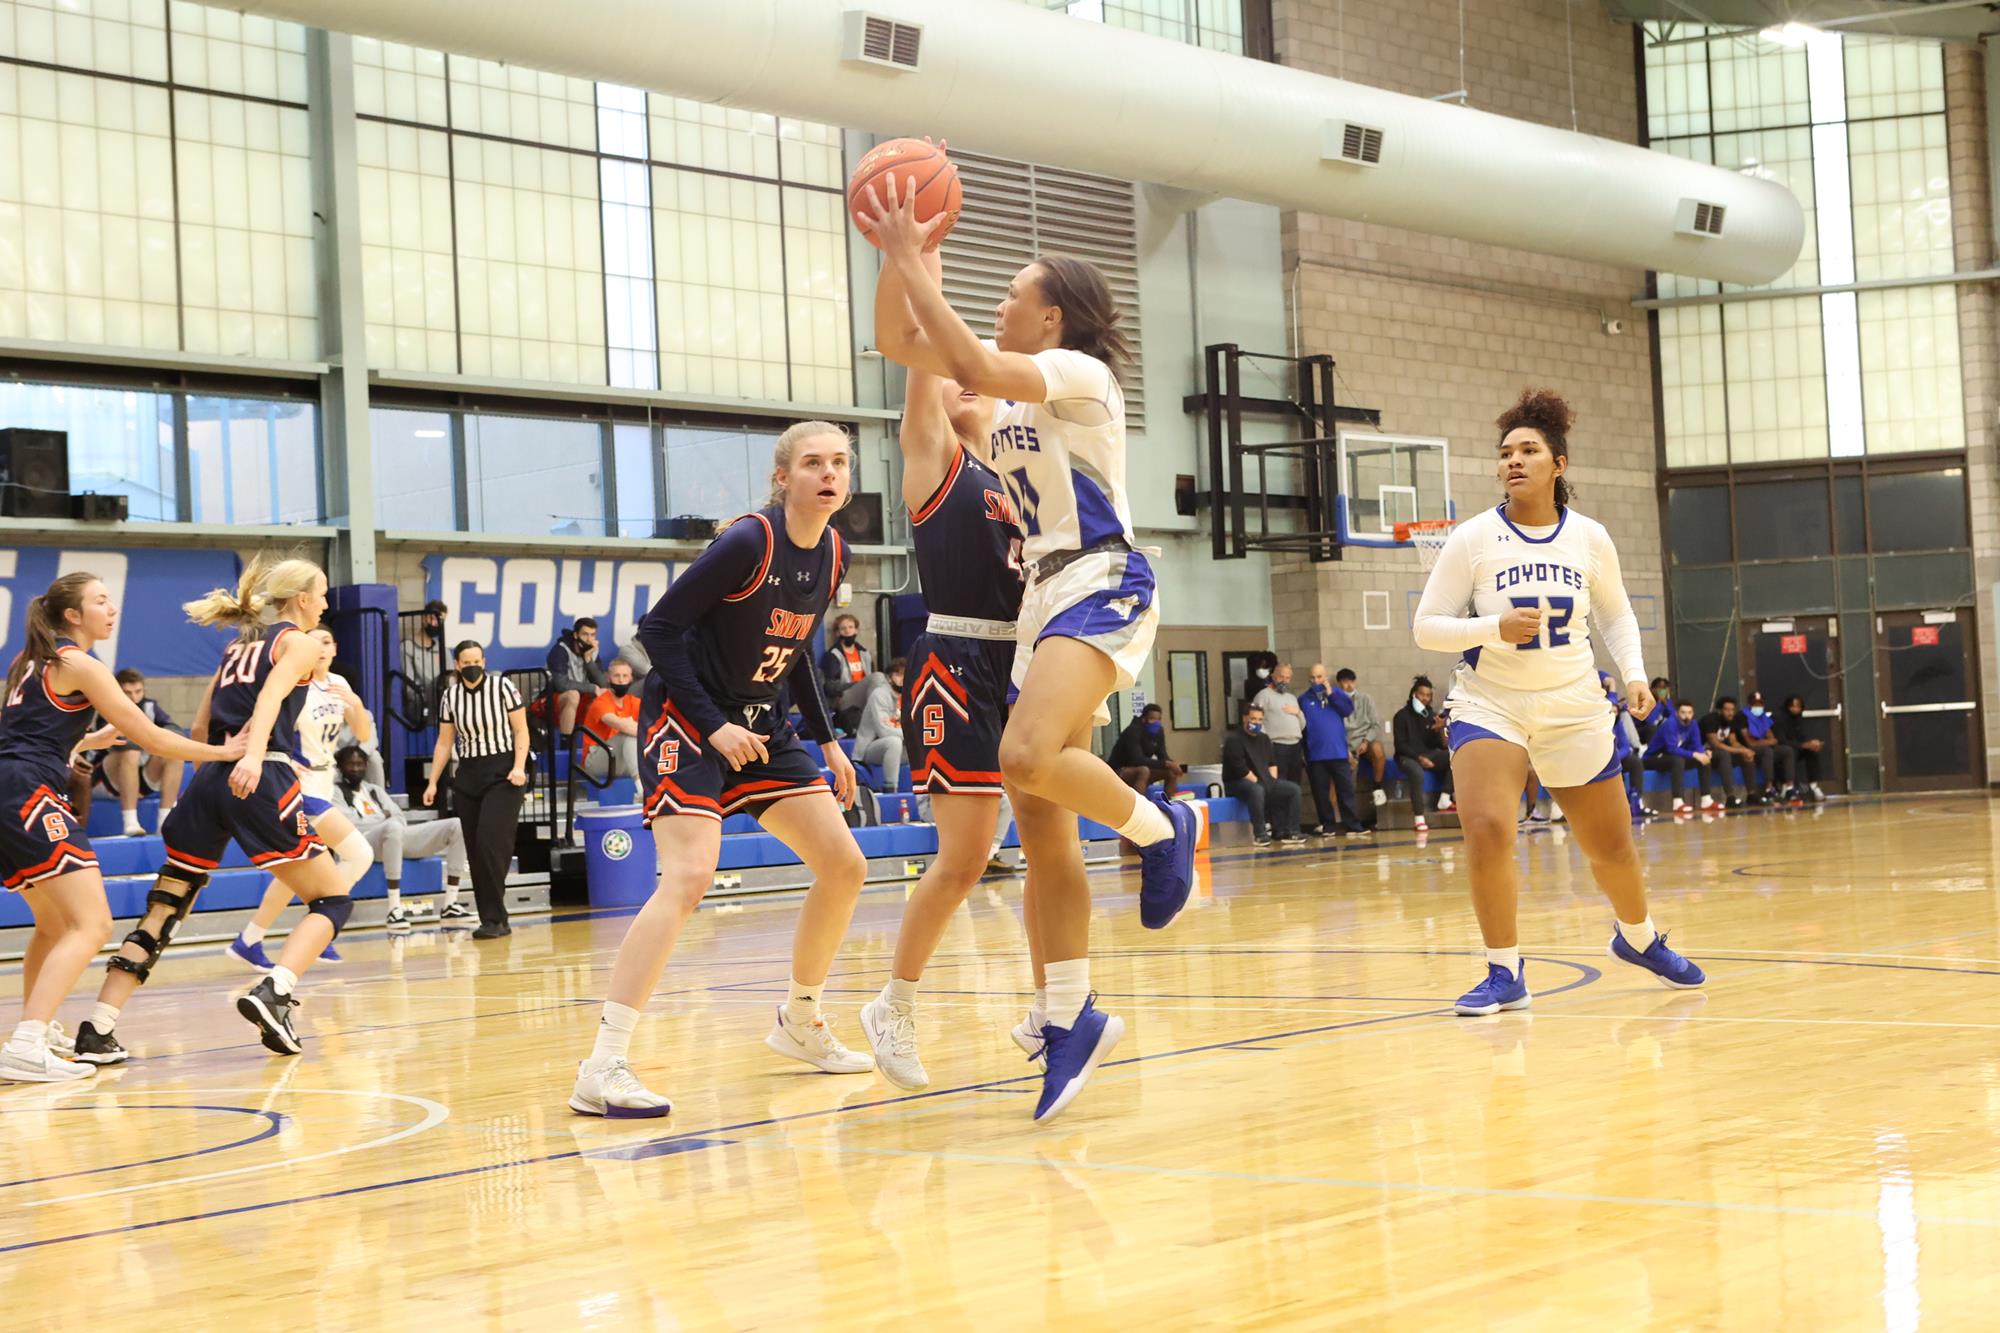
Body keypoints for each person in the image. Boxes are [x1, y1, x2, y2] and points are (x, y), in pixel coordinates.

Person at [866, 171, 1198, 1123]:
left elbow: (966, 351)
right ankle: (1069, 1013)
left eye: (1013, 291)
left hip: (1101, 575)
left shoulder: (1081, 378)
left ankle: (1161, 826)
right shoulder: (1001, 409)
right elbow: (904, 344)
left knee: (1024, 755)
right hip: (1041, 601)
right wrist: (906, 257)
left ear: (1052, 317)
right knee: (1045, 820)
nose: (1000, 302)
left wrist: (915, 258)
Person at [569, 421, 869, 1119]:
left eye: (839, 462)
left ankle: (800, 1020)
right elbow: (657, 630)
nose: (829, 473)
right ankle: (602, 1065)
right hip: (689, 717)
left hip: (761, 722)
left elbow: (796, 653)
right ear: (783, 478)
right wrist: (712, 724)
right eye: (813, 463)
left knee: (845, 865)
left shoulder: (834, 552)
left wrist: (828, 742)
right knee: (689, 877)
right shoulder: (748, 542)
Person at [1412, 386, 1704, 1017]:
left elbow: (1616, 614)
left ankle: (1639, 938)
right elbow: (1426, 627)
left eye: (1528, 450)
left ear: (1558, 465)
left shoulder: (1590, 538)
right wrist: (1492, 628)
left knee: (1611, 848)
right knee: (1488, 829)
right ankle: (1504, 970)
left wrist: (1634, 674)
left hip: (1573, 705)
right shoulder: (1473, 537)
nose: (1514, 460)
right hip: (1490, 703)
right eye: (1505, 453)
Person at [71, 555, 355, 1064]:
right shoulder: (301, 642)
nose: (326, 602)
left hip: (209, 779)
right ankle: (275, 991)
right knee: (333, 901)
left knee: (166, 908)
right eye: (322, 592)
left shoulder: (238, 644)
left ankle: (98, 1026)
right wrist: (252, 758)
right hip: (259, 773)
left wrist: (216, 774)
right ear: (302, 598)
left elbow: (201, 726)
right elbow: (270, 698)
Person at [854, 274, 1030, 1089]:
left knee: (1046, 844)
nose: (964, 379)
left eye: (977, 374)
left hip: (1023, 663)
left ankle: (1056, 1002)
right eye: (956, 372)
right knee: (963, 858)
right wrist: (917, 260)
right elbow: (920, 356)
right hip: (957, 659)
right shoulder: (937, 459)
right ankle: (894, 1002)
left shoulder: (1022, 481)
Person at [0, 574, 241, 1082]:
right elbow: (152, 737)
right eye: (101, 601)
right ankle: (25, 1044)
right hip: (27, 792)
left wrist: (88, 741)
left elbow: (25, 736)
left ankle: (35, 1031)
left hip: (10, 788)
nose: (111, 609)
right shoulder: (79, 663)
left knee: (53, 925)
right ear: (73, 615)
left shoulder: (31, 661)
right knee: (92, 924)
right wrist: (225, 752)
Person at [228, 627, 380, 971]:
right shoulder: (295, 682)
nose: (320, 648)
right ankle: (320, 926)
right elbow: (263, 719)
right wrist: (278, 757)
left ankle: (250, 939)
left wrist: (356, 704)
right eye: (314, 642)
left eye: (326, 642)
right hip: (298, 784)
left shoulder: (338, 683)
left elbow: (363, 734)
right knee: (360, 854)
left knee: (298, 868)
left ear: (335, 648)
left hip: (325, 781)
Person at [423, 641, 530, 939]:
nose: (472, 666)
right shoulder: (450, 696)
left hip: (504, 774)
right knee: (475, 849)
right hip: (469, 774)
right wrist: (433, 781)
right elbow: (445, 742)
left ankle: (496, 917)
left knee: (489, 843)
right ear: (457, 665)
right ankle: (492, 920)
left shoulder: (503, 687)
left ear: (484, 662)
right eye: (466, 662)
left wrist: (519, 767)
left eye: (476, 661)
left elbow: (521, 729)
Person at [326, 745, 469, 929]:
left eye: (359, 764)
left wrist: (385, 820)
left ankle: (450, 903)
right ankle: (394, 908)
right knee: (392, 827)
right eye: (350, 764)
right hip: (364, 843)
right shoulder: (334, 793)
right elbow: (350, 824)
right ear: (340, 767)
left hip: (394, 837)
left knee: (456, 825)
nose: (355, 768)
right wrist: (383, 818)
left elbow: (399, 817)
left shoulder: (375, 791)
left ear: (366, 766)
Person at [92, 668, 186, 837]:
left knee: (175, 752)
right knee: (130, 752)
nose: (134, 698)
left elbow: (175, 729)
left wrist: (157, 740)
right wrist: (151, 740)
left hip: (141, 776)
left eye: (138, 691)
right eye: (127, 693)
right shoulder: (107, 708)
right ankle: (130, 822)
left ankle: (165, 822)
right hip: (107, 779)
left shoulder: (150, 706)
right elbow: (119, 743)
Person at [1222, 704, 1304, 847]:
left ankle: (1292, 831)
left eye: (1260, 720)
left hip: (1263, 780)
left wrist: (1271, 782)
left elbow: (1272, 764)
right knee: (1257, 790)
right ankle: (1260, 834)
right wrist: (1262, 784)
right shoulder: (1233, 739)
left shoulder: (1264, 738)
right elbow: (1240, 769)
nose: (1257, 722)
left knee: (1293, 790)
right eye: (1253, 719)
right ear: (1244, 718)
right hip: (1237, 782)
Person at [1301, 664, 1368, 837]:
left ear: (1326, 677)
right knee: (1321, 793)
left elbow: (1347, 710)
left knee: (1346, 790)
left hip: (1338, 751)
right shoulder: (1303, 699)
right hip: (1315, 753)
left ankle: (1353, 825)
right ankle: (1328, 825)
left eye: (1319, 676)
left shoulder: (1337, 694)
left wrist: (1331, 693)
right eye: (1313, 677)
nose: (1316, 680)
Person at [1392, 677, 1456, 833]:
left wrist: (1439, 730)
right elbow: (1400, 745)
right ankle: (1419, 819)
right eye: (1422, 694)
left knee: (1454, 757)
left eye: (1428, 695)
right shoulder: (1401, 716)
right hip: (1407, 756)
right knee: (1417, 772)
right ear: (1414, 694)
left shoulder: (1431, 715)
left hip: (1428, 754)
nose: (1425, 698)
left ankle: (1445, 798)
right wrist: (1419, 758)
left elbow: (1440, 745)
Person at [1644, 698, 1718, 815]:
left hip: (1674, 757)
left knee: (1704, 760)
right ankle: (1677, 802)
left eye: (1689, 713)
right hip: (1653, 758)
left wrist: (1704, 752)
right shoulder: (1670, 724)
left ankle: (1706, 800)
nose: (1686, 716)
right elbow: (1671, 749)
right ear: (1676, 713)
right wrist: (1695, 754)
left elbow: (1697, 746)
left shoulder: (1693, 724)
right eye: (1683, 713)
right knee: (1677, 761)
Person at [578, 657, 641, 782]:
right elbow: (621, 725)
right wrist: (646, 730)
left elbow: (654, 724)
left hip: (622, 759)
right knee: (627, 735)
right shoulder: (601, 702)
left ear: (631, 678)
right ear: (608, 677)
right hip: (596, 760)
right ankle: (641, 787)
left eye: (625, 676)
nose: (621, 680)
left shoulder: (634, 702)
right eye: (616, 676)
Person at [1336, 668, 1389, 812]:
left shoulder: (1366, 699)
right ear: (1339, 684)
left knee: (1378, 749)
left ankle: (1377, 787)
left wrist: (1365, 741)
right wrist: (1346, 750)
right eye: (1344, 682)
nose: (1348, 686)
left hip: (1365, 741)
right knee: (1347, 782)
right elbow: (1335, 729)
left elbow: (1375, 725)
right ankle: (1345, 814)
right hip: (1346, 745)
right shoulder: (1335, 702)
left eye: (1351, 682)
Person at [547, 616, 608, 739]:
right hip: (551, 699)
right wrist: (592, 688)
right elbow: (560, 684)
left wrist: (589, 661)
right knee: (573, 695)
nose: (589, 639)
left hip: (580, 698)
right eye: (585, 634)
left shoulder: (592, 652)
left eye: (592, 635)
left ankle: (596, 744)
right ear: (576, 635)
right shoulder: (560, 650)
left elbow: (602, 685)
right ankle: (566, 742)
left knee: (605, 695)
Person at [1109, 703, 1182, 801]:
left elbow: (1162, 754)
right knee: (1144, 770)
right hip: (1119, 771)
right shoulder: (1133, 731)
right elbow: (1137, 760)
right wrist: (1167, 763)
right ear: (1144, 719)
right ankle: (1139, 805)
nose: (1156, 723)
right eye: (1152, 719)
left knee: (1171, 771)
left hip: (1141, 769)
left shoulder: (1158, 731)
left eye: (1158, 719)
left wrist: (1173, 764)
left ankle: (1170, 804)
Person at [853, 657, 906, 793]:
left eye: (905, 674)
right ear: (890, 677)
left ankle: (926, 791)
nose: (902, 679)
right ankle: (890, 789)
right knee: (894, 742)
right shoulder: (880, 694)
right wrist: (911, 735)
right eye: (898, 674)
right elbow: (884, 732)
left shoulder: (909, 696)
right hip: (870, 748)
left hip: (899, 746)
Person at [1252, 661, 1306, 788]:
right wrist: (1266, 741)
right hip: (1276, 746)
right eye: (1281, 676)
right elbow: (1255, 720)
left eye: (1287, 678)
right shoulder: (1263, 695)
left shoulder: (1292, 698)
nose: (1284, 680)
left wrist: (1298, 713)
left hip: (1295, 746)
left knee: (1295, 783)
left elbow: (1302, 725)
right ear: (1273, 676)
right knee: (1279, 784)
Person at [1604, 672, 1648, 820]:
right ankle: (1616, 806)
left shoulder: (1618, 724)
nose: (1614, 713)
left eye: (1616, 711)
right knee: (1614, 769)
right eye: (1611, 711)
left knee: (1635, 761)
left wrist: (1616, 756)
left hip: (1616, 758)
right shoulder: (1599, 727)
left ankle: (1636, 799)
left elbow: (1625, 747)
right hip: (1602, 761)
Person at [819, 612, 873, 733]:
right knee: (876, 678)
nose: (848, 631)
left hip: (866, 696)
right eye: (843, 628)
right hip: (844, 698)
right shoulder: (833, 655)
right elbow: (830, 687)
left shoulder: (865, 653)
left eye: (850, 627)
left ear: (856, 630)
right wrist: (858, 685)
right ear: (837, 633)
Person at [1700, 696, 1755, 809]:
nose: (1730, 713)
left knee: (1746, 756)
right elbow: (1716, 744)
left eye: (1732, 710)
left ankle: (1751, 795)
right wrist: (1741, 750)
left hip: (1721, 754)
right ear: (1719, 710)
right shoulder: (1710, 719)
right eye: (1727, 709)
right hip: (1705, 753)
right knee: (1724, 754)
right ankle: (1730, 797)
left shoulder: (1732, 721)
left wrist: (1745, 750)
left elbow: (1733, 741)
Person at [400, 598, 449, 723]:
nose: (437, 624)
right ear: (424, 618)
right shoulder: (407, 647)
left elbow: (450, 678)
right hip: (418, 716)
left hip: (443, 714)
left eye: (441, 621)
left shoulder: (443, 648)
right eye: (433, 619)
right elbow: (409, 688)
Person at [1773, 693, 1826, 803]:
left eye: (1798, 707)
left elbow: (1801, 736)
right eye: (1793, 706)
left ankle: (1813, 786)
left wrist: (1811, 743)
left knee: (1812, 752)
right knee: (1790, 752)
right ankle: (1787, 787)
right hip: (1780, 750)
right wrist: (1802, 745)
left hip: (1795, 747)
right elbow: (1781, 741)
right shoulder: (1778, 717)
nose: (1796, 709)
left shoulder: (1797, 718)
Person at [1736, 690, 1784, 803]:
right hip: (1745, 749)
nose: (1758, 707)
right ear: (1749, 704)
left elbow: (1773, 739)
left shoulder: (1763, 717)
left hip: (1761, 748)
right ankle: (1768, 788)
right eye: (1755, 704)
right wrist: (1768, 742)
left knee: (1786, 751)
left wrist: (1767, 741)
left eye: (1760, 704)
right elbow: (1751, 743)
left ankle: (1788, 787)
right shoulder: (1742, 716)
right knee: (1767, 751)